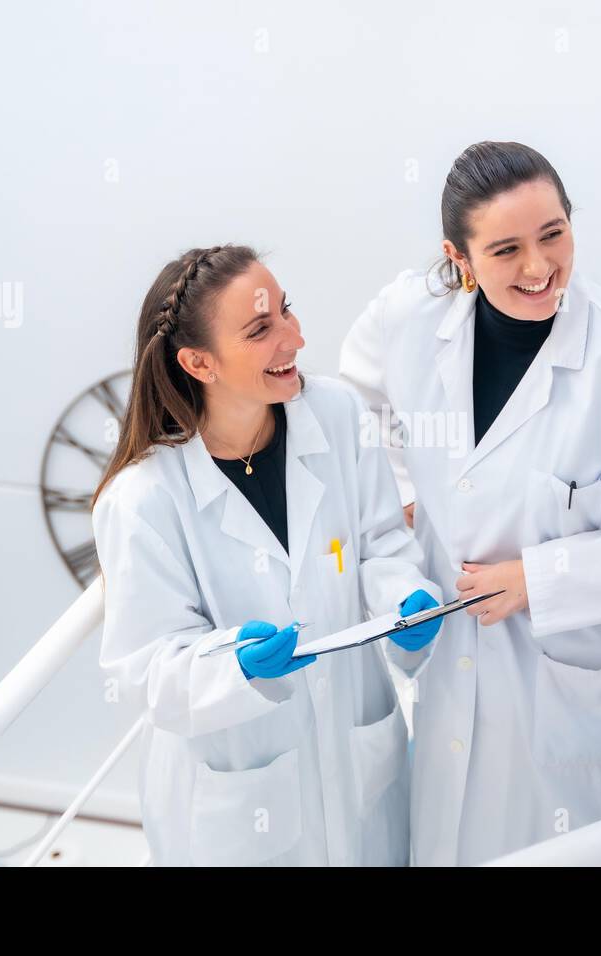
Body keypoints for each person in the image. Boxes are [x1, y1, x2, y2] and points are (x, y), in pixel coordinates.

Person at [340, 142, 601, 865]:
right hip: (459, 662)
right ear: (459, 258)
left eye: (554, 235)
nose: (539, 269)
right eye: (506, 249)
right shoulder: (412, 318)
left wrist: (538, 580)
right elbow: (354, 401)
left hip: (577, 689)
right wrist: (408, 499)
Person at [91, 245, 443, 866]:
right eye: (261, 330)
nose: (296, 338)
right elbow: (146, 673)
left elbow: (380, 544)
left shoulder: (336, 415)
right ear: (199, 362)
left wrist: (403, 601)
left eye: (286, 311)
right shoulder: (143, 500)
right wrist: (234, 667)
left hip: (357, 757)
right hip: (236, 799)